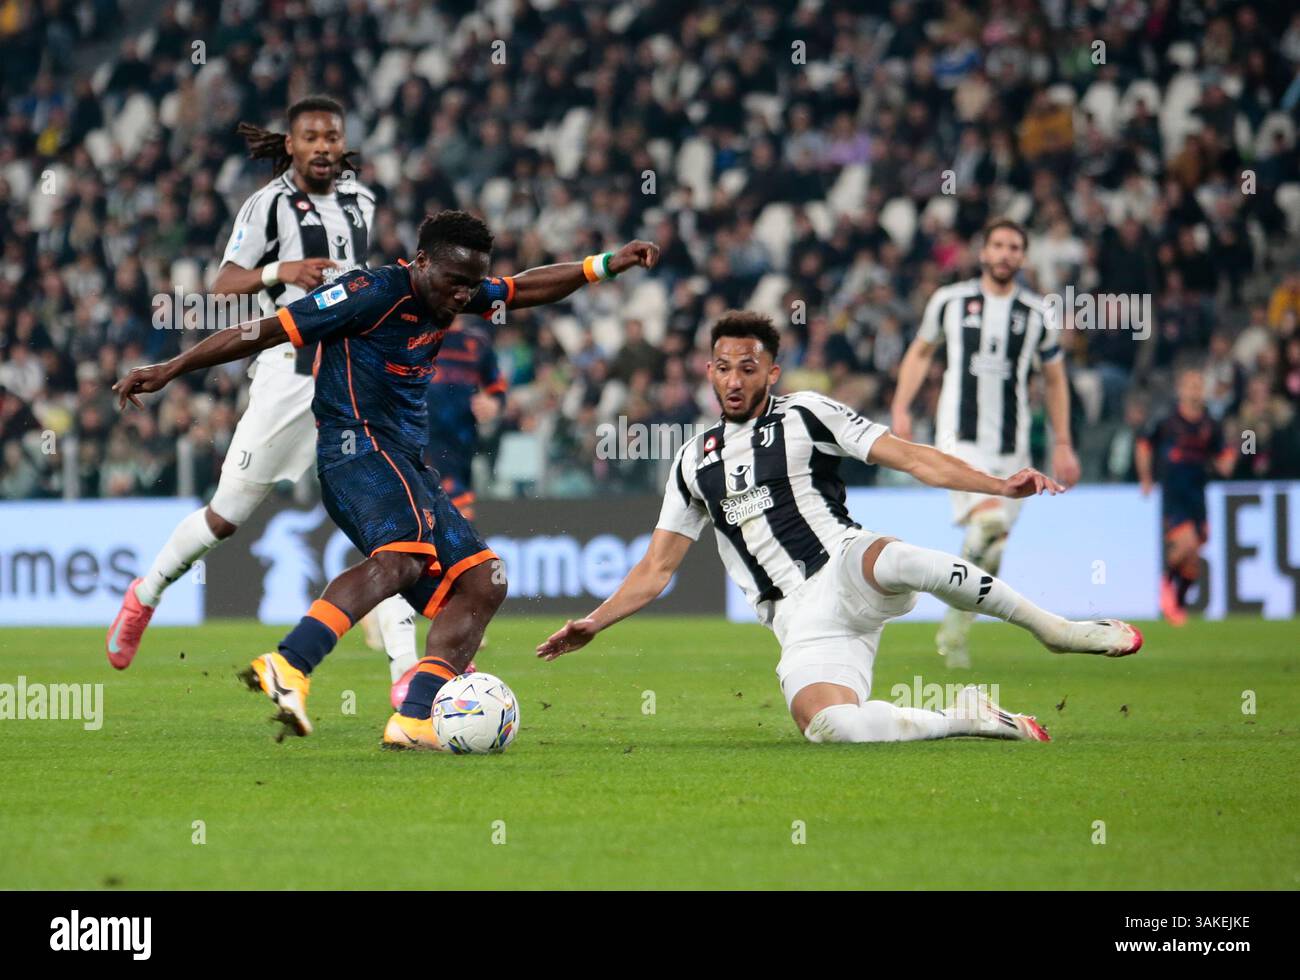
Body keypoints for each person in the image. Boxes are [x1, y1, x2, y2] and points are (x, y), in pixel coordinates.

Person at [114, 210, 659, 748]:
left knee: (484, 580)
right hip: (355, 448)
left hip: (406, 459)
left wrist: (605, 265)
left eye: (473, 285)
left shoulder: (455, 290)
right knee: (402, 558)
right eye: (454, 282)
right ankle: (289, 663)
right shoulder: (369, 292)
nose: (465, 297)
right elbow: (263, 330)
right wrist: (170, 369)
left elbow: (522, 289)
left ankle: (414, 718)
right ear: (420, 262)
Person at [537, 311, 1141, 745]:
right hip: (799, 621)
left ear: (771, 373)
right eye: (723, 368)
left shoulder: (807, 412)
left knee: (903, 559)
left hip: (846, 564)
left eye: (748, 368)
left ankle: (1055, 630)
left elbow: (912, 456)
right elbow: (656, 568)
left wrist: (997, 485)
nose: (734, 380)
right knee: (834, 730)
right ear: (709, 371)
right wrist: (595, 621)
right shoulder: (694, 458)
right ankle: (969, 716)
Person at [105, 95, 421, 684]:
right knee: (227, 516)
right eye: (311, 137)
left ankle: (408, 673)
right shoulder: (267, 205)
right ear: (292, 144)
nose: (323, 146)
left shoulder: (362, 199)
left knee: (390, 518)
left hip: (353, 374)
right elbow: (223, 283)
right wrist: (281, 271)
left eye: (332, 136)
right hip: (288, 374)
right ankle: (145, 593)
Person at [891, 217, 1081, 667]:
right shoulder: (950, 302)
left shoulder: (1036, 315)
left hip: (1013, 446)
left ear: (1023, 256)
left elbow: (1055, 380)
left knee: (993, 547)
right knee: (990, 524)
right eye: (997, 244)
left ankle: (955, 629)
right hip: (960, 438)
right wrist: (901, 406)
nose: (1005, 253)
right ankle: (954, 626)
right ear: (983, 253)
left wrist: (1063, 443)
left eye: (1014, 247)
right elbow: (920, 353)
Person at [1135, 366, 1236, 625]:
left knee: (1193, 560)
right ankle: (1165, 583)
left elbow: (1223, 457)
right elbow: (1144, 445)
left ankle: (1176, 604)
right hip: (1174, 494)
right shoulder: (1166, 421)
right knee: (1187, 544)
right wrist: (1146, 477)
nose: (1195, 391)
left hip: (1198, 495)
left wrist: (1231, 456)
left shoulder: (1210, 424)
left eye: (1198, 385)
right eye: (1190, 385)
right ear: (1180, 390)